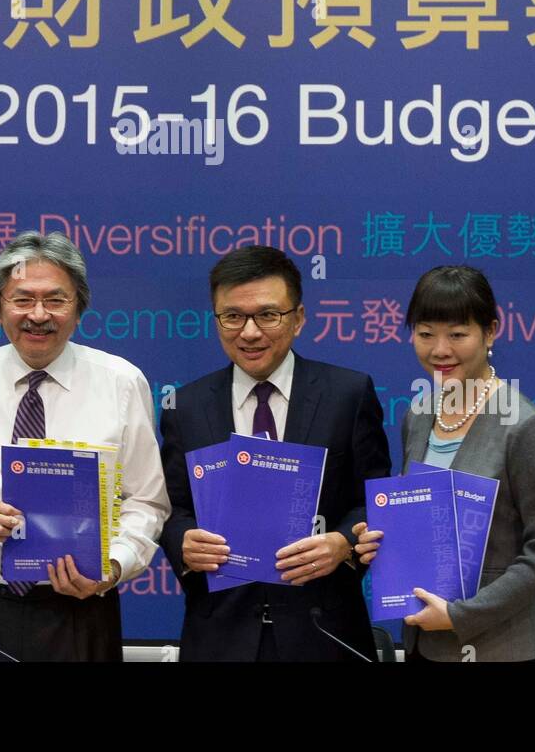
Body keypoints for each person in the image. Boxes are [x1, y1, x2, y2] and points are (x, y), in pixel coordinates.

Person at [0, 230, 169, 662]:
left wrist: (113, 567)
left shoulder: (121, 383)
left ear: (78, 308)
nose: (38, 314)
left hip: (85, 606)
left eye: (56, 300)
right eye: (22, 299)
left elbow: (146, 501)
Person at [159, 245, 392, 661]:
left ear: (298, 318)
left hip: (325, 633)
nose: (249, 332)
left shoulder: (347, 394)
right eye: (233, 316)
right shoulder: (186, 407)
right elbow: (171, 508)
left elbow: (374, 500)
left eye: (268, 315)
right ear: (216, 320)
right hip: (219, 636)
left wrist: (342, 543)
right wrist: (182, 543)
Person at [354, 265, 535, 661]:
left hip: (502, 649)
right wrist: (384, 540)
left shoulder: (524, 426)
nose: (440, 350)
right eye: (425, 334)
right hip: (423, 642)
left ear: (490, 332)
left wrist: (461, 615)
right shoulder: (418, 415)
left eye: (457, 334)